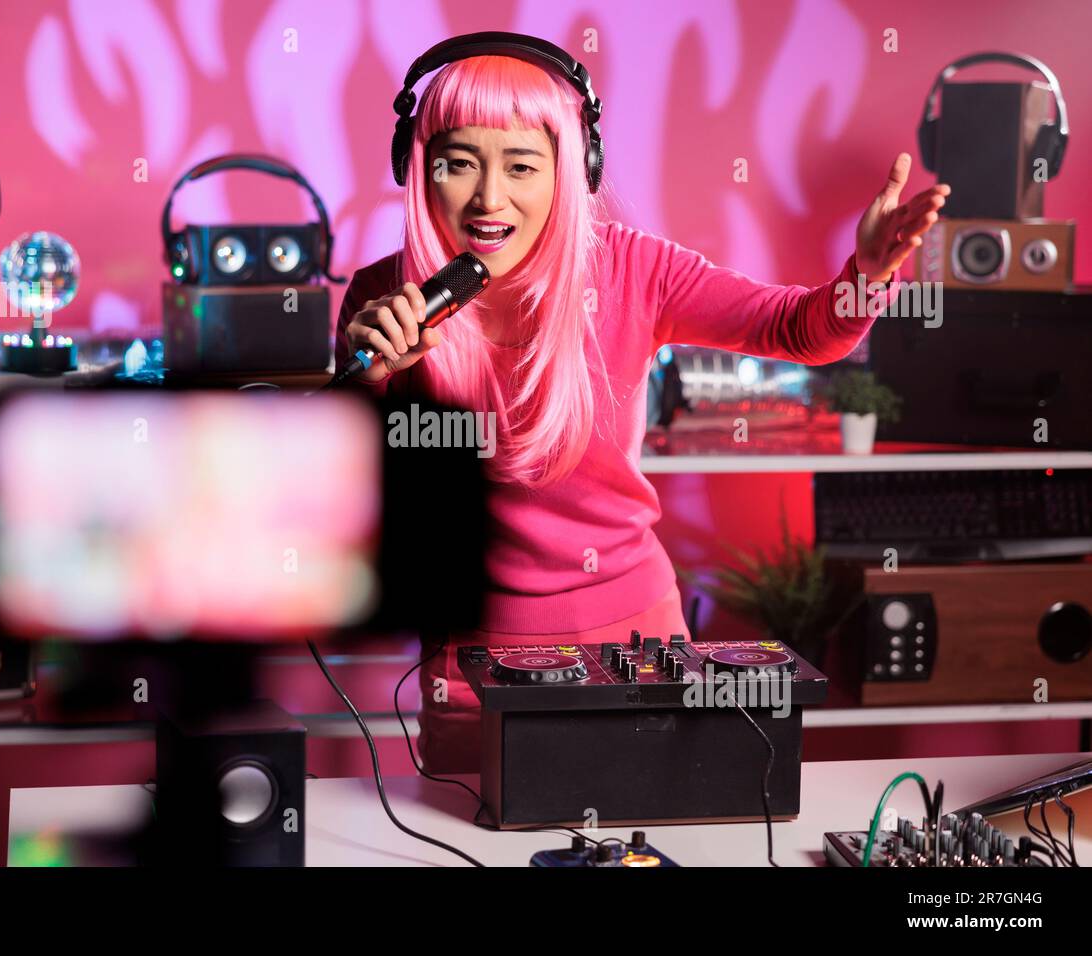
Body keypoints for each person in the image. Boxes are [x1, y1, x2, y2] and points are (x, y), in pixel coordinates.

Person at [335, 45, 949, 774]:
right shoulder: (384, 296)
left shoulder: (635, 270)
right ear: (418, 165)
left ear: (573, 172)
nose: (489, 198)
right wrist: (369, 378)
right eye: (460, 161)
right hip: (472, 668)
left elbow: (798, 330)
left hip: (636, 646)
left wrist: (868, 274)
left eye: (522, 166)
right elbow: (337, 498)